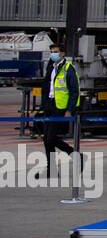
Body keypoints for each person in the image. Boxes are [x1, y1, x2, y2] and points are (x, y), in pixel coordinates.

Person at [39, 41, 78, 176]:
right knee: (46, 139)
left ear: (62, 53)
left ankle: (74, 154)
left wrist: (69, 110)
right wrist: (43, 105)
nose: (53, 54)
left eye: (55, 52)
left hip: (60, 107)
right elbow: (46, 87)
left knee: (50, 138)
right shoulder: (51, 67)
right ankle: (52, 169)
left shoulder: (68, 68)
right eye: (51, 52)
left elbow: (74, 91)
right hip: (49, 105)